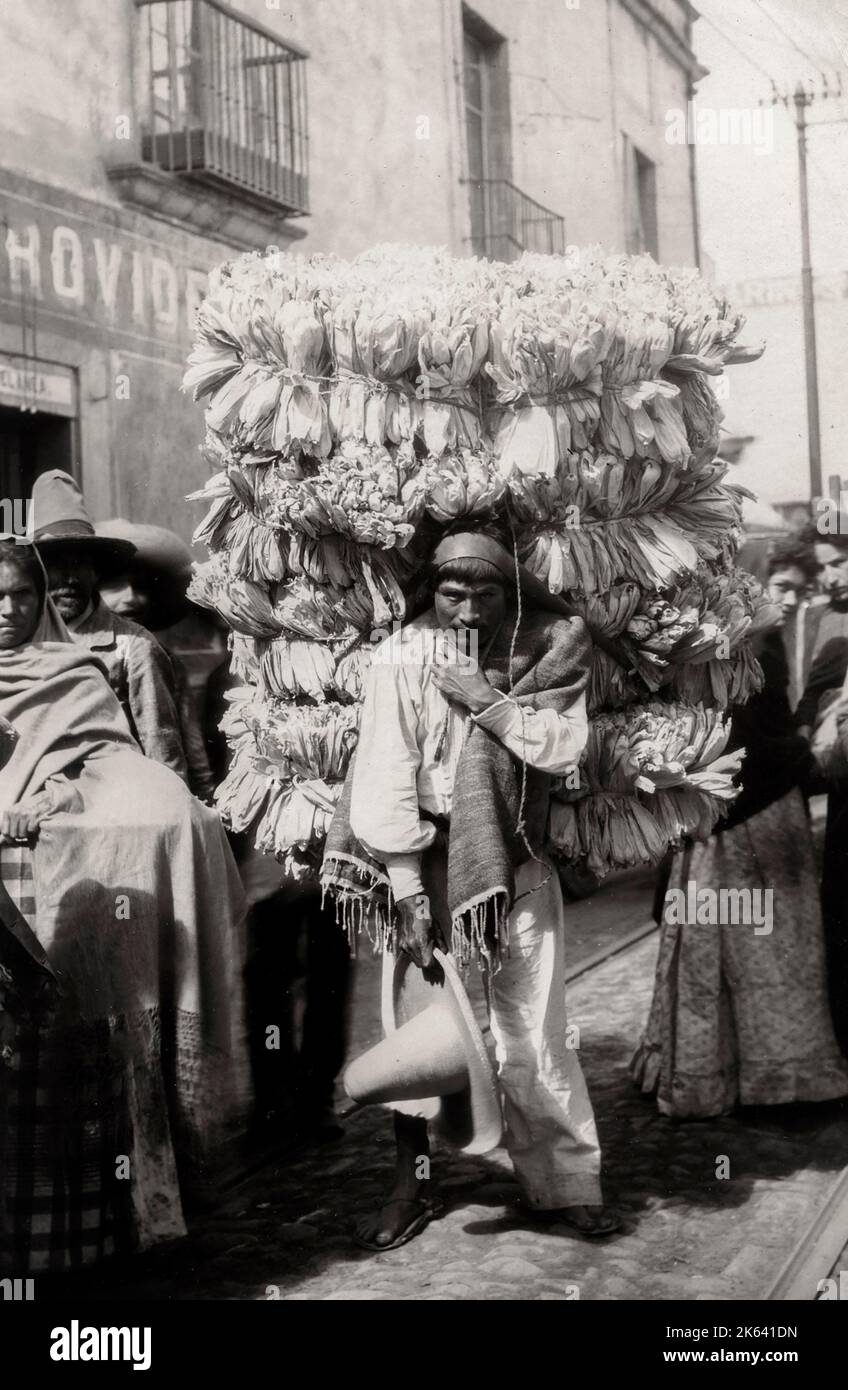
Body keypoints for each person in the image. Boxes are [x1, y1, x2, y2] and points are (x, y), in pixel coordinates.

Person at [322, 524, 619, 1249]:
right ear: (432, 591)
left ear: (509, 592)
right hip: (421, 862)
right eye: (453, 594)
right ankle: (413, 1185)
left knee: (533, 1026)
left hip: (512, 860)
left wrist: (486, 698)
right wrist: (405, 889)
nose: (469, 612)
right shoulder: (399, 656)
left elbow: (564, 747)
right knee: (423, 1033)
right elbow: (385, 770)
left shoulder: (547, 646)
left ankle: (563, 1183)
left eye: (486, 594)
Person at [0, 539, 249, 1272]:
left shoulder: (71, 670)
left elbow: (119, 764)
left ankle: (91, 1234)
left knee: (72, 1059)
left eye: (19, 594)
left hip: (70, 896)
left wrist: (57, 793)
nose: (6, 611)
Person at [632, 618, 848, 1117]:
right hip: (752, 815)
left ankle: (717, 1072)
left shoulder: (710, 641)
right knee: (758, 945)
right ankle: (769, 1073)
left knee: (726, 944)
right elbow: (753, 739)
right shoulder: (747, 642)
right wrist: (804, 751)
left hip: (723, 816)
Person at [31, 470, 188, 781]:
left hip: (113, 811)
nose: (71, 578)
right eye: (56, 563)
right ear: (34, 573)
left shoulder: (132, 647)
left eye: (81, 563)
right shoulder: (21, 642)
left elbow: (163, 758)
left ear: (97, 571)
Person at [94, 518, 222, 802]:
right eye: (115, 586)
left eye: (139, 587)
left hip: (153, 794)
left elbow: (190, 744)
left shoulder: (164, 660)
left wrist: (204, 800)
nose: (132, 598)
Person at [765, 533, 822, 712]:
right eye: (782, 587)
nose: (791, 600)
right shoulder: (726, 644)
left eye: (799, 591)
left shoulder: (777, 643)